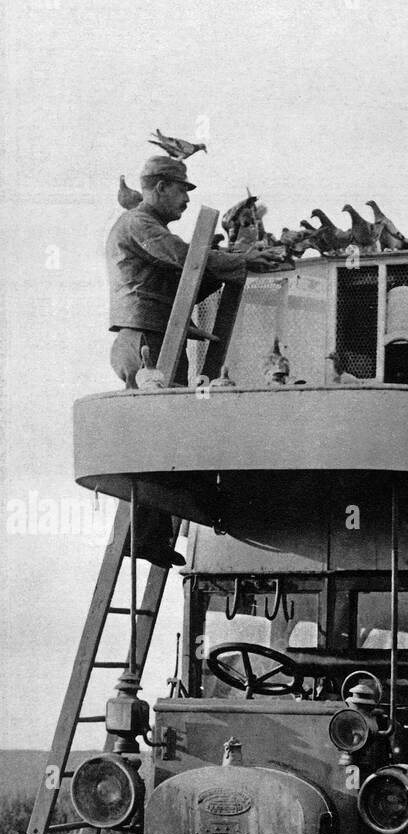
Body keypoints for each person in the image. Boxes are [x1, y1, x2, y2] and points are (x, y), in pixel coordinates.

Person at [105, 155, 276, 565]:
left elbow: (189, 283)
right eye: (182, 190)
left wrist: (227, 265)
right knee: (158, 435)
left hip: (160, 339)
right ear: (160, 187)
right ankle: (144, 534)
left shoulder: (149, 228)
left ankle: (152, 534)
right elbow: (185, 260)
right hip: (147, 342)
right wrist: (240, 261)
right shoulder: (139, 223)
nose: (186, 200)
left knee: (166, 435)